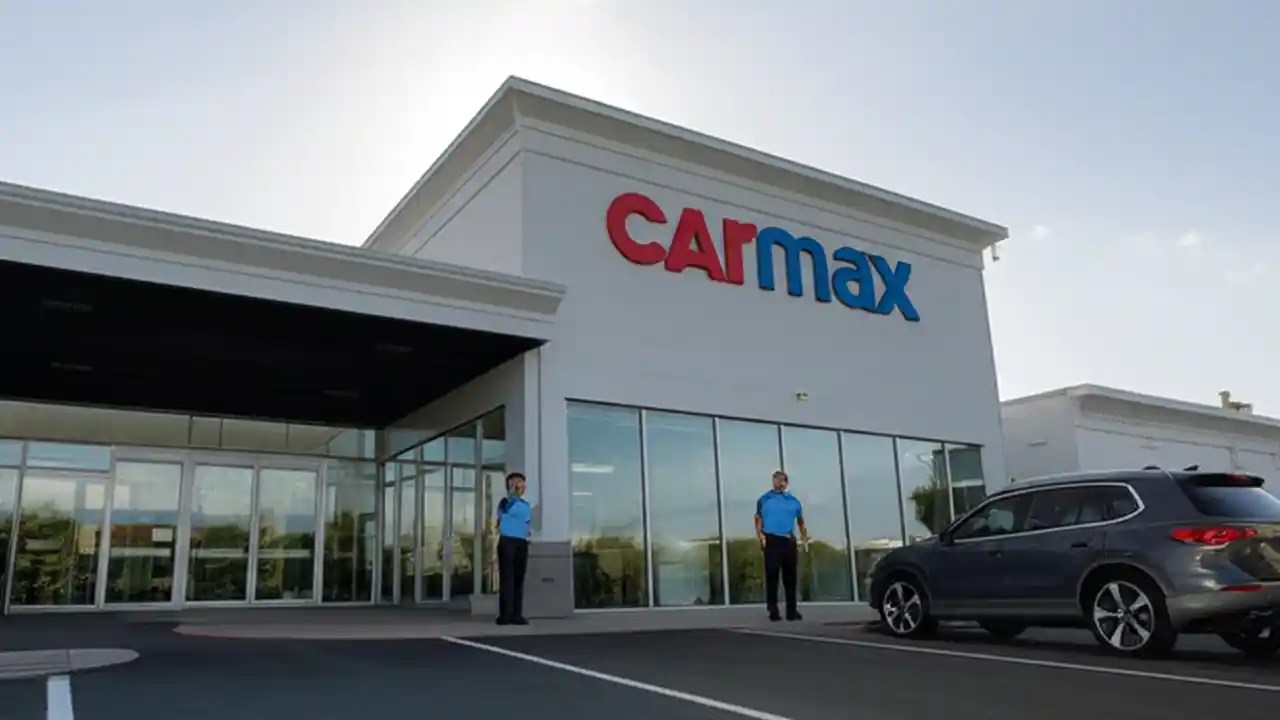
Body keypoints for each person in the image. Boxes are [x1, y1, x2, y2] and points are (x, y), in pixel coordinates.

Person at [754, 470, 808, 621]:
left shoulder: (793, 501)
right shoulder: (764, 499)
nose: (779, 482)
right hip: (771, 540)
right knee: (772, 577)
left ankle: (792, 611)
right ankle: (773, 610)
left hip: (788, 541)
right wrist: (760, 536)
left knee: (790, 578)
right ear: (773, 481)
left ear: (786, 483)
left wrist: (803, 538)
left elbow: (800, 520)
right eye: (776, 480)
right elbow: (758, 518)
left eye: (782, 480)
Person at [494, 471, 532, 625]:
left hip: (521, 542)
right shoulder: (505, 503)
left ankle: (517, 614)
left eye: (521, 483)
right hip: (507, 542)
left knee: (518, 580)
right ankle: (505, 614)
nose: (518, 486)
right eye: (515, 483)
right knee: (507, 580)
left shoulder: (526, 505)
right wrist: (513, 493)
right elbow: (505, 512)